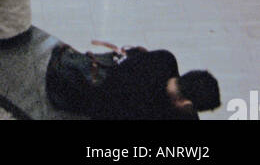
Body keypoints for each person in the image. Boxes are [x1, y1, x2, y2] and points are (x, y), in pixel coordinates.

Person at [48, 44, 220, 121]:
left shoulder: (167, 59)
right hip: (68, 94)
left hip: (109, 80)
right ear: (186, 102)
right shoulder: (144, 109)